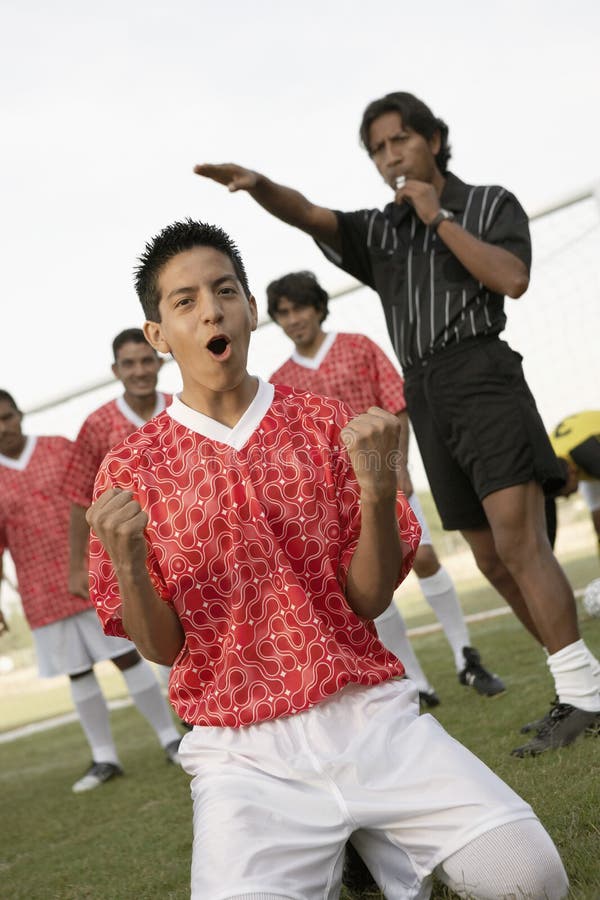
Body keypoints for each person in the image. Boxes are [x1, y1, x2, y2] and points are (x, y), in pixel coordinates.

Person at [86, 220, 568, 899]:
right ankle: (359, 852)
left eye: (225, 291)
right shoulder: (131, 468)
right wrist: (129, 564)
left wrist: (377, 494)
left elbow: (367, 599)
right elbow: (164, 649)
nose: (212, 310)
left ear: (251, 309)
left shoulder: (322, 422)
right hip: (243, 754)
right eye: (185, 300)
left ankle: (369, 846)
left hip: (369, 716)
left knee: (531, 877)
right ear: (158, 336)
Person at [194, 91, 600, 755]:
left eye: (399, 142)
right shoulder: (380, 231)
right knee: (491, 557)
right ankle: (578, 684)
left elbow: (513, 278)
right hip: (427, 389)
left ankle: (585, 693)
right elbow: (309, 215)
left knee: (519, 541)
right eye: (378, 149)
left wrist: (438, 217)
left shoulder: (489, 202)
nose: (390, 157)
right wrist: (259, 186)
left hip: (482, 375)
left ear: (433, 141)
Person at [267, 269, 504, 704]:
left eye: (299, 307)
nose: (293, 318)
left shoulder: (358, 345)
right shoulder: (279, 380)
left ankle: (464, 656)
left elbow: (396, 406)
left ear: (318, 307)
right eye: (282, 312)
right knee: (370, 583)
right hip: (332, 498)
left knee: (426, 558)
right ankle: (414, 680)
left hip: (384, 475)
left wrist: (398, 466)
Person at [0, 390, 182, 793]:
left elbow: (95, 493)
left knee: (126, 656)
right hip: (40, 590)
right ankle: (104, 757)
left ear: (20, 414)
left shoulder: (60, 448)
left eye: (7, 417)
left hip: (91, 576)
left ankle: (170, 738)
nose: (4, 427)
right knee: (77, 671)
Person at [67, 328, 171, 600]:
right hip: (134, 555)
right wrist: (78, 565)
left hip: (191, 543)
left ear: (160, 362)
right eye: (129, 364)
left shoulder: (182, 408)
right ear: (116, 370)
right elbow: (80, 499)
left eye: (146, 361)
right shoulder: (97, 425)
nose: (139, 371)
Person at [549, 411, 600, 558]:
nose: (565, 497)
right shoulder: (547, 466)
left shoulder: (591, 456)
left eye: (562, 492)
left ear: (571, 472)